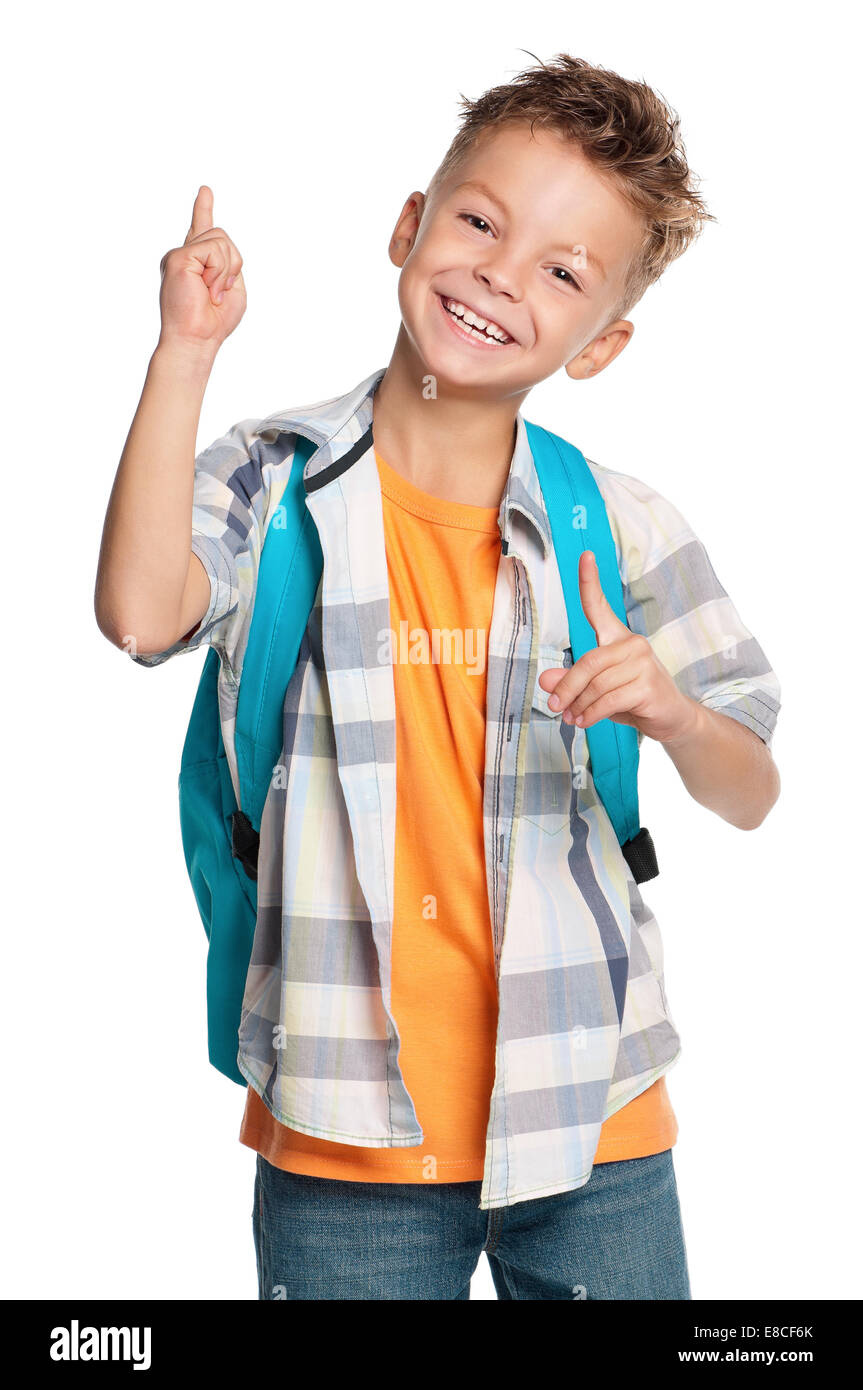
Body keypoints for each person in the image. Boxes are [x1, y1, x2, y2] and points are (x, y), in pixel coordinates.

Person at [94, 53, 781, 1300]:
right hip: (342, 1126)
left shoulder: (615, 528)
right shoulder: (273, 481)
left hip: (592, 1116)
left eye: (560, 274)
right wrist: (185, 351)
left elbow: (749, 787)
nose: (498, 277)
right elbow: (141, 618)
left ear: (601, 342)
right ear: (410, 223)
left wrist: (670, 711)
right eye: (477, 221)